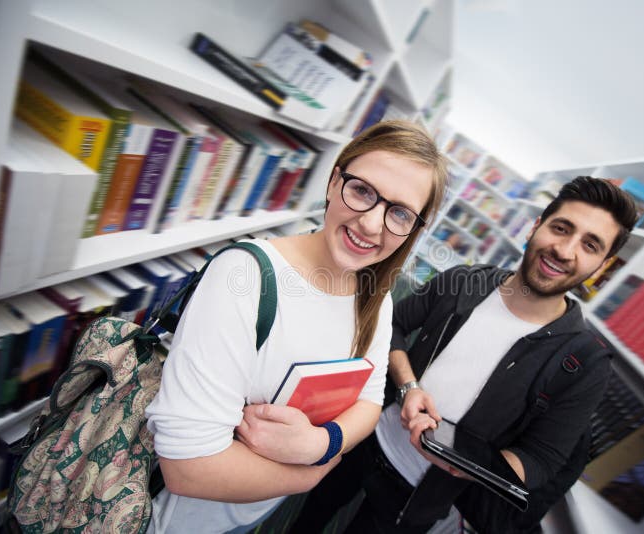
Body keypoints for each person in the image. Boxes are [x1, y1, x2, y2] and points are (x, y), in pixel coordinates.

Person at [144, 120, 448, 534]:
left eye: (399, 213)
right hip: (164, 520)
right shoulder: (247, 277)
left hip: (247, 515)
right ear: (333, 180)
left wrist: (323, 444)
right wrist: (310, 473)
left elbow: (371, 400)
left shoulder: (375, 300)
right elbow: (188, 468)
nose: (372, 225)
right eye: (361, 191)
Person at [288, 176, 639, 533]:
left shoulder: (585, 362)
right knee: (308, 516)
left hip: (418, 494)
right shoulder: (464, 281)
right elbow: (390, 325)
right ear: (536, 226)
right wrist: (409, 386)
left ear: (603, 265)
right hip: (364, 436)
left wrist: (474, 466)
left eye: (590, 245)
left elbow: (542, 459)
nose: (565, 250)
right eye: (561, 228)